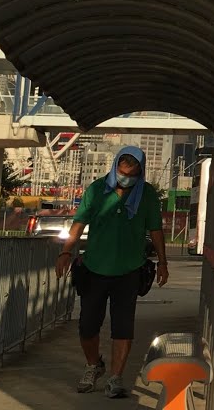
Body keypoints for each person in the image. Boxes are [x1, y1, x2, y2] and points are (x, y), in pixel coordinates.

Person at [54, 146, 168, 397]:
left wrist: (163, 262)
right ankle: (93, 365)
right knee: (87, 325)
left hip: (129, 269)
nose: (126, 178)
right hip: (95, 267)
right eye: (122, 172)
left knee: (123, 327)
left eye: (132, 174)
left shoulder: (147, 194)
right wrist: (65, 252)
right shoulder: (96, 190)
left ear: (140, 172)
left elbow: (156, 230)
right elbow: (79, 223)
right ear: (115, 166)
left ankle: (115, 377)